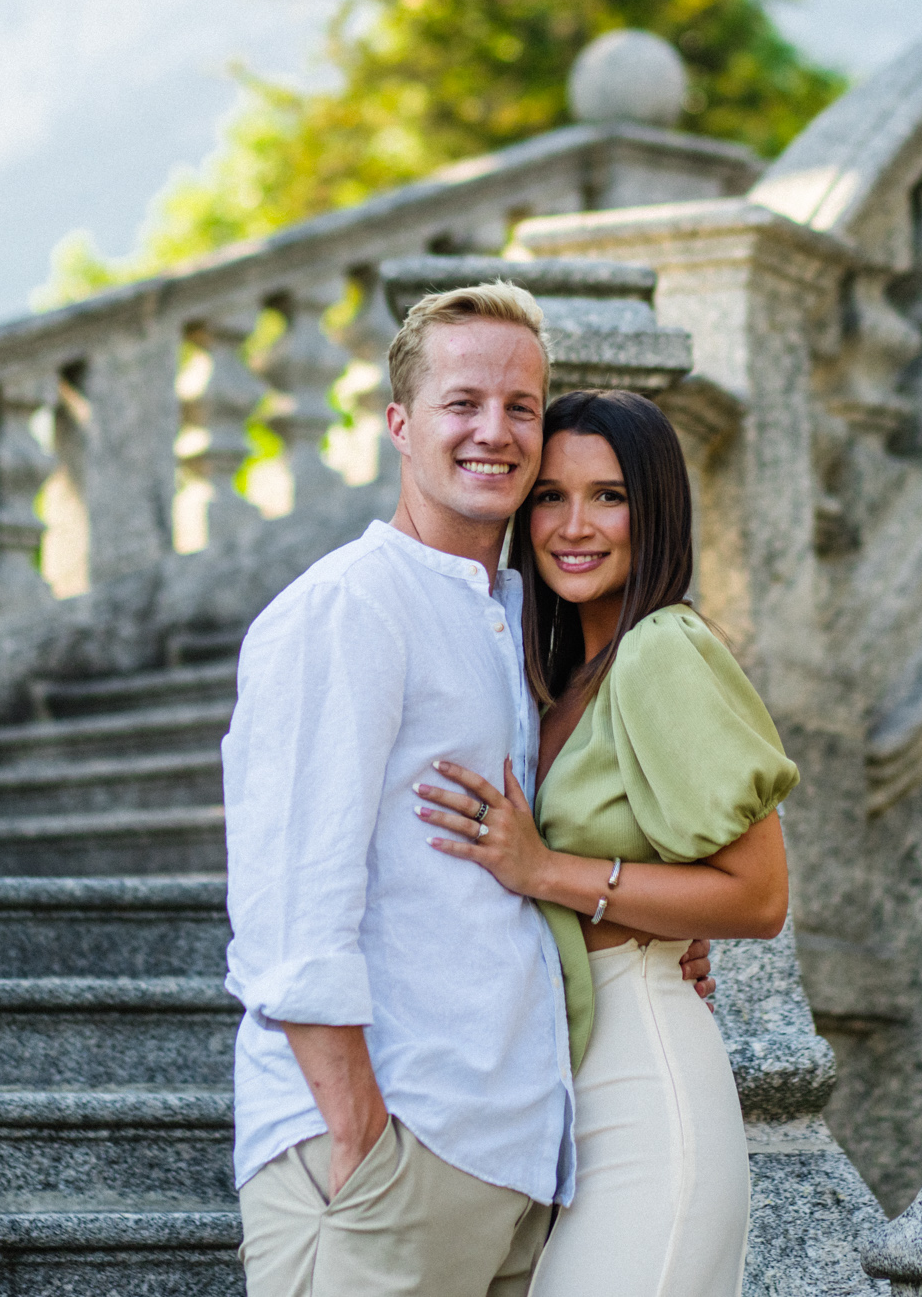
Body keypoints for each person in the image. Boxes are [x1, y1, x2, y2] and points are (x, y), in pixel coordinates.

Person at [222, 285, 710, 1297]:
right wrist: (360, 1134)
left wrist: (638, 920)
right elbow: (288, 909)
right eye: (462, 402)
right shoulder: (348, 608)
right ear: (399, 425)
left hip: (514, 1154)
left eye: (521, 405)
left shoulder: (516, 613)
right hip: (391, 1150)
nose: (495, 430)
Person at [414, 388, 796, 1297]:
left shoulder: (661, 647)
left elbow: (760, 894)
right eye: (550, 495)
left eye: (609, 495)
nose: (573, 525)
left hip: (647, 1087)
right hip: (566, 1089)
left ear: (654, 508)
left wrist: (549, 868)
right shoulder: (562, 678)